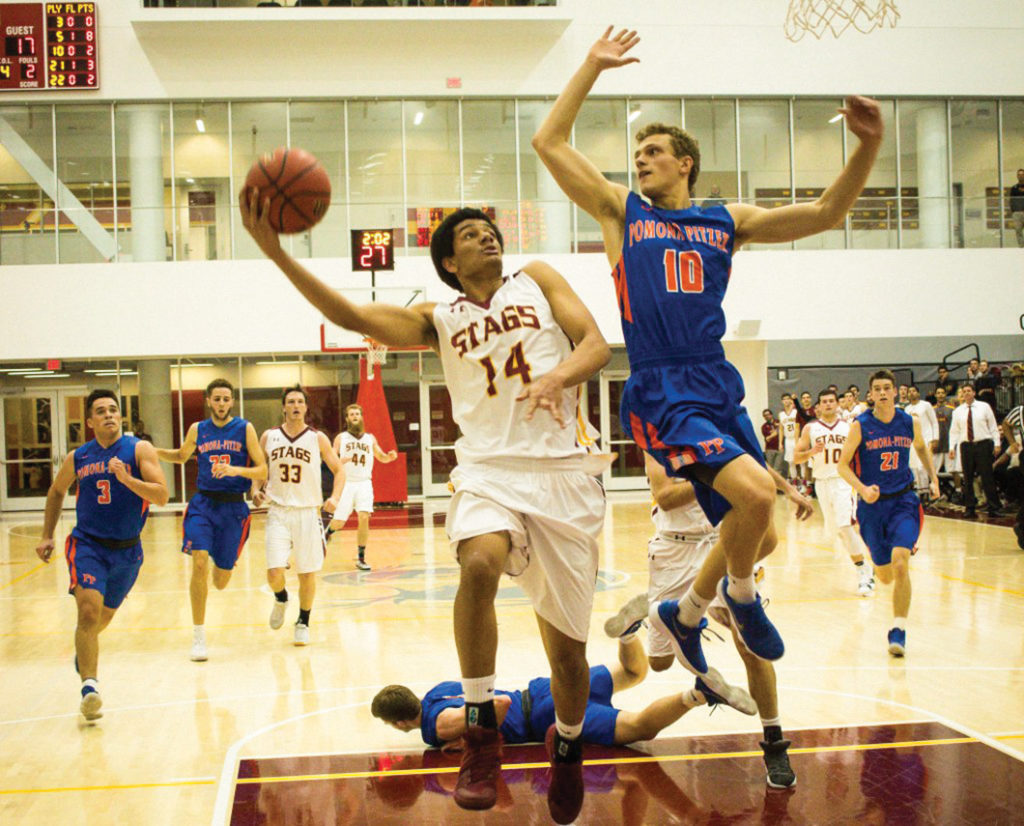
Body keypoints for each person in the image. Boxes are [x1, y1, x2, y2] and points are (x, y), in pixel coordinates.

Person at [240, 195, 611, 823]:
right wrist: (276, 251)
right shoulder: (438, 317)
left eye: (490, 231)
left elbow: (596, 345)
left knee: (568, 656)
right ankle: (480, 732)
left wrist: (559, 376)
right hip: (488, 470)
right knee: (479, 565)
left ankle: (568, 747)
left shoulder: (540, 279)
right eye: (471, 235)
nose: (488, 238)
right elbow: (349, 310)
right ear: (448, 260)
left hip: (562, 478)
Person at [532, 25, 883, 678]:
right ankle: (732, 599)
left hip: (717, 383)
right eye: (637, 153)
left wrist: (870, 144)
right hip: (663, 388)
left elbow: (830, 211)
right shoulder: (620, 211)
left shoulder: (728, 220)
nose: (641, 161)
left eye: (654, 151)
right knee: (754, 497)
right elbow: (547, 141)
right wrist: (589, 66)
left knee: (766, 529)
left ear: (685, 162)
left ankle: (688, 610)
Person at [602, 452, 811, 789]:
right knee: (659, 663)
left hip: (722, 542)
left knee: (751, 647)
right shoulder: (658, 436)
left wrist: (790, 490)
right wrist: (718, 476)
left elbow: (755, 463)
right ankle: (635, 625)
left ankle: (774, 744)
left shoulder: (716, 426)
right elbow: (667, 497)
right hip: (673, 551)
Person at [371, 630, 756, 752]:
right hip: (542, 688)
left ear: (400, 720)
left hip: (546, 716)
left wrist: (475, 740)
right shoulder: (437, 691)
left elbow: (499, 705)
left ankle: (700, 693)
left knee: (639, 729)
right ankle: (627, 632)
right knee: (634, 671)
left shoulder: (434, 727)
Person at [35, 390, 169, 720]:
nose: (109, 415)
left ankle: (85, 652)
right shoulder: (79, 457)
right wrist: (46, 534)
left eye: (113, 409)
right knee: (88, 611)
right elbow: (56, 491)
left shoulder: (139, 449)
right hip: (88, 544)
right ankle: (89, 689)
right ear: (90, 421)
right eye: (101, 411)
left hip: (127, 552)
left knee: (101, 619)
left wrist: (126, 478)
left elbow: (162, 495)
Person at [154, 378, 267, 661]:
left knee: (221, 580)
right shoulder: (198, 429)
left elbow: (262, 468)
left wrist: (235, 471)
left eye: (226, 399)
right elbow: (181, 456)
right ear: (208, 401)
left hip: (233, 509)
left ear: (232, 401)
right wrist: (151, 452)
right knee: (199, 560)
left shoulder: (245, 428)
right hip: (203, 504)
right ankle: (198, 635)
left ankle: (225, 561)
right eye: (216, 399)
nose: (221, 404)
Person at [837, 370, 939, 657]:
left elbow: (920, 448)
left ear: (896, 392)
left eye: (887, 388)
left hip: (904, 501)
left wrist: (933, 478)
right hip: (872, 507)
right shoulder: (861, 425)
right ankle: (876, 568)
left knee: (901, 561)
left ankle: (898, 629)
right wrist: (861, 488)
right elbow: (843, 466)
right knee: (884, 576)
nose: (882, 393)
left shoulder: (910, 421)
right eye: (877, 389)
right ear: (871, 394)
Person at [252, 385, 348, 646]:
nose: (295, 406)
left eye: (300, 402)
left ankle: (303, 620)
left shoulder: (317, 438)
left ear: (306, 408)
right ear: (283, 407)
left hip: (308, 513)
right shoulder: (269, 436)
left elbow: (340, 471)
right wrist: (255, 490)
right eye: (291, 402)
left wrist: (335, 498)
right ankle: (281, 597)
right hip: (278, 512)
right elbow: (259, 471)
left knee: (307, 573)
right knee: (273, 572)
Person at [793, 390, 874, 596]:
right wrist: (811, 452)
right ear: (818, 406)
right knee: (838, 531)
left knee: (845, 525)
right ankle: (862, 563)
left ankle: (865, 572)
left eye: (831, 401)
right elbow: (796, 457)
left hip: (843, 481)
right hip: (821, 482)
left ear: (838, 404)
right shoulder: (810, 428)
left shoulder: (849, 426)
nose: (828, 405)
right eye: (824, 402)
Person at [327, 403, 398, 571]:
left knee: (364, 516)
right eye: (351, 414)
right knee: (339, 522)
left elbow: (381, 457)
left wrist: (389, 457)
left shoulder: (369, 438)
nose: (354, 417)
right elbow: (329, 457)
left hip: (365, 482)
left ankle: (361, 557)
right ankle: (328, 532)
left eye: (357, 414)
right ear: (347, 419)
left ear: (361, 417)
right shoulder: (341, 438)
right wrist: (339, 462)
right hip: (346, 483)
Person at [948, 383, 1002, 518]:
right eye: (964, 391)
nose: (966, 393)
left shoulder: (984, 407)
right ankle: (970, 508)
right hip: (966, 446)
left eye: (968, 391)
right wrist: (951, 447)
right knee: (968, 478)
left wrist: (997, 443)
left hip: (983, 444)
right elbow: (954, 431)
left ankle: (994, 508)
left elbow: (993, 426)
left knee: (987, 477)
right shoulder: (958, 411)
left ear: (974, 393)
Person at [779, 394, 799, 485]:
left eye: (788, 399)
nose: (786, 401)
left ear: (791, 400)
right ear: (782, 401)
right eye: (784, 399)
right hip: (788, 440)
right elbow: (781, 429)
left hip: (797, 438)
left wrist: (797, 441)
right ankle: (794, 482)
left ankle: (804, 483)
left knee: (801, 462)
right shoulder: (781, 414)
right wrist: (780, 443)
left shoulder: (796, 411)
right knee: (791, 462)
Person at [760, 409, 784, 477]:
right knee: (770, 469)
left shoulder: (778, 422)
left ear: (771, 415)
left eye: (768, 415)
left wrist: (777, 430)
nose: (767, 417)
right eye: (765, 416)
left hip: (780, 448)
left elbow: (783, 431)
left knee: (778, 468)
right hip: (770, 449)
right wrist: (777, 431)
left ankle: (779, 485)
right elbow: (768, 438)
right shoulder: (764, 427)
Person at [1011, 168, 1024, 248]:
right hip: (1017, 213)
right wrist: (1013, 211)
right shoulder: (1014, 188)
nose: (1020, 176)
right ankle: (1021, 247)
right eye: (1019, 174)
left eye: (1022, 174)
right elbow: (1011, 200)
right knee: (1018, 231)